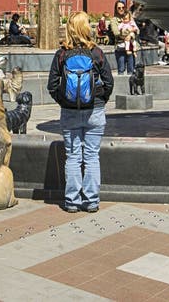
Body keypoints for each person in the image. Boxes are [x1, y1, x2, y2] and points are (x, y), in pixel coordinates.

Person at [47, 11, 114, 213]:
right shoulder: (96, 53)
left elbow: (52, 85)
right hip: (95, 110)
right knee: (92, 156)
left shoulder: (61, 54)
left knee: (73, 156)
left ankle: (72, 201)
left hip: (69, 112)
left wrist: (65, 101)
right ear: (87, 28)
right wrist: (100, 100)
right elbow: (109, 82)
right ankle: (92, 201)